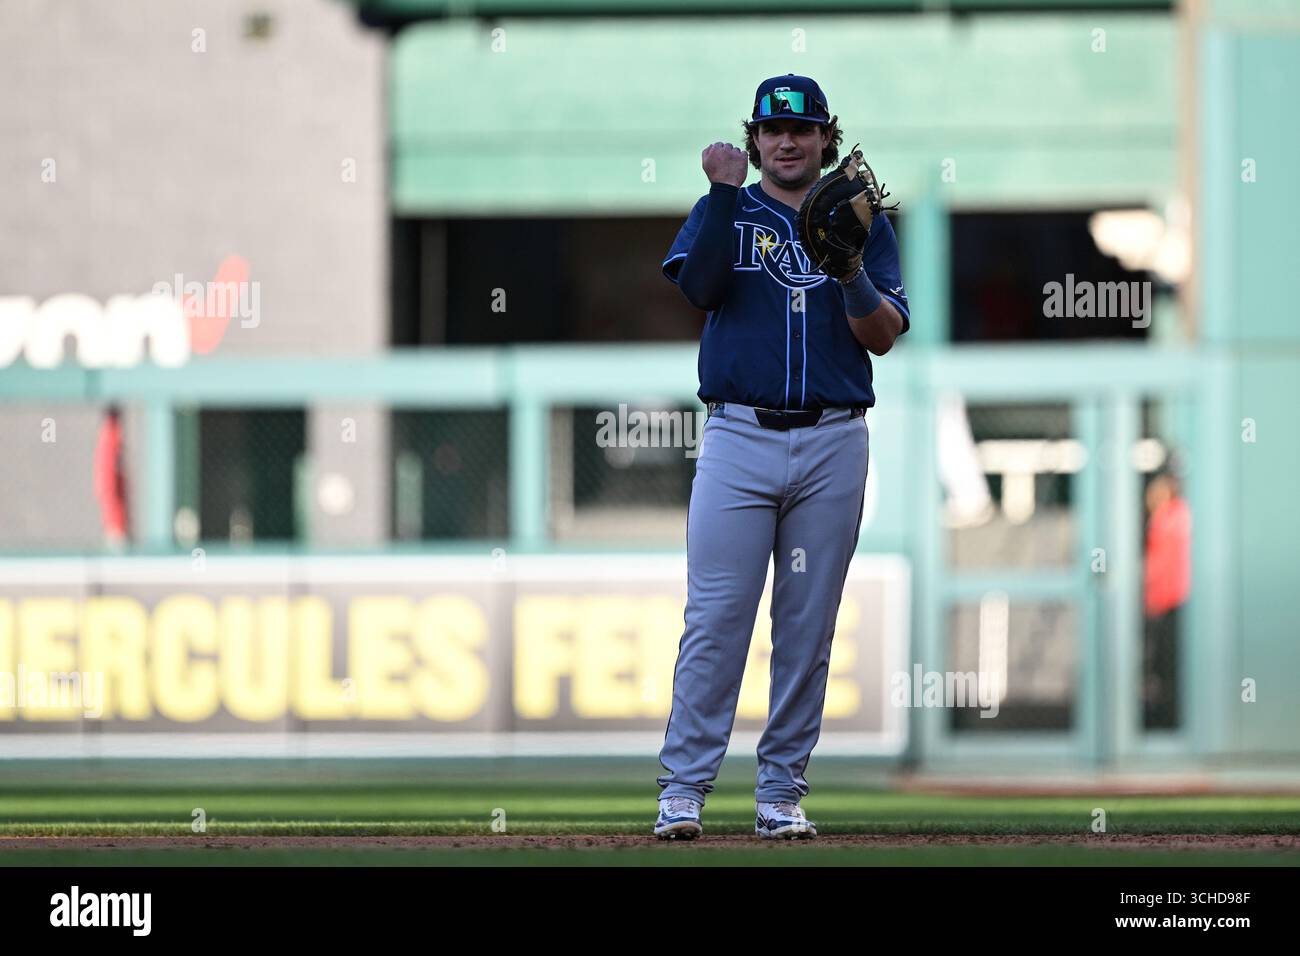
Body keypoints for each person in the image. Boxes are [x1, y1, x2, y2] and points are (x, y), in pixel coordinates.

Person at [654, 74, 909, 840]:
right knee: (717, 619)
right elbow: (698, 292)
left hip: (834, 436)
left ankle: (780, 795)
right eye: (772, 130)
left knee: (807, 627)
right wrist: (724, 195)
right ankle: (684, 790)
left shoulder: (860, 219)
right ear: (754, 139)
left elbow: (883, 335)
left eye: (802, 129)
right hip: (739, 435)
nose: (787, 141)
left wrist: (851, 268)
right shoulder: (723, 208)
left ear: (826, 137)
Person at [1142, 469, 1191, 729]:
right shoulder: (1172, 518)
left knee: (1168, 665)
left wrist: (1153, 598)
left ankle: (1170, 719)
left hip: (1172, 602)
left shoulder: (1171, 519)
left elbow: (1164, 567)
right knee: (1165, 666)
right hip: (1169, 601)